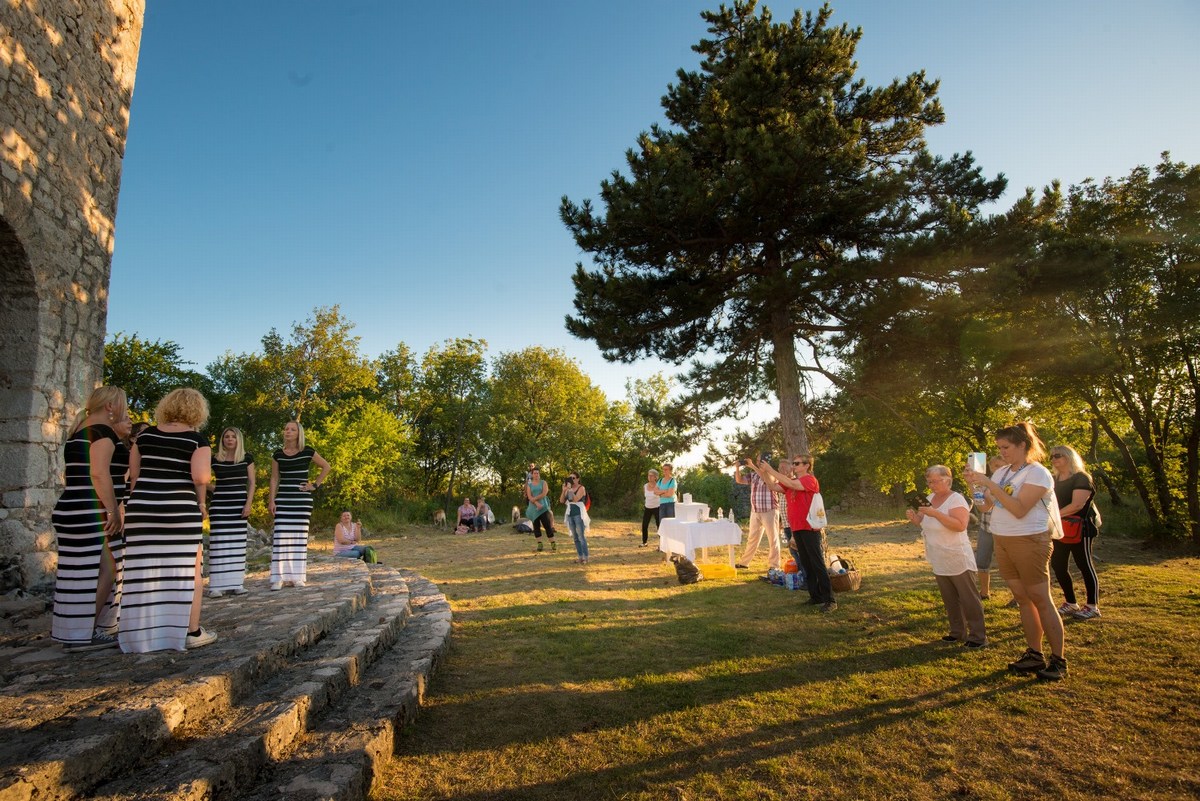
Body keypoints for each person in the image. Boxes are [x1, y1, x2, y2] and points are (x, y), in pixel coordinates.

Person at [965, 422, 1067, 681]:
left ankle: (1058, 660)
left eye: (1006, 447)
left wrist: (990, 483)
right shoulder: (1002, 474)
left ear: (1023, 445)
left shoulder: (1037, 473)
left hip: (1030, 539)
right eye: (999, 448)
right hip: (1003, 538)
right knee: (1022, 597)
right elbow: (985, 507)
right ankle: (1034, 654)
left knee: (1040, 597)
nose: (1002, 452)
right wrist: (975, 486)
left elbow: (1019, 509)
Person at [120, 388, 215, 652]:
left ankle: (139, 635)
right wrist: (200, 501)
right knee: (188, 571)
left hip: (142, 508)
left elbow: (134, 476)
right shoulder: (197, 441)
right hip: (178, 509)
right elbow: (201, 478)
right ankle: (191, 632)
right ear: (197, 411)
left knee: (142, 570)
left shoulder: (145, 435)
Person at [51, 386, 130, 651]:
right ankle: (85, 632)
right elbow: (99, 474)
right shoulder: (103, 432)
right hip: (90, 509)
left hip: (70, 506)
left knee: (76, 571)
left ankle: (70, 630)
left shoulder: (78, 431)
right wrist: (112, 511)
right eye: (122, 405)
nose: (124, 410)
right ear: (110, 407)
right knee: (107, 571)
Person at [905, 465, 988, 648]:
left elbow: (960, 525)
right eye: (929, 482)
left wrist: (935, 513)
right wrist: (915, 518)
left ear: (948, 480)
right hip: (938, 555)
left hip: (956, 555)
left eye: (935, 481)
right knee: (950, 598)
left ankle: (978, 636)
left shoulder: (956, 499)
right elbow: (923, 522)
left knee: (969, 598)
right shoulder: (929, 498)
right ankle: (957, 632)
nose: (932, 485)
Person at [756, 454, 836, 612]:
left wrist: (770, 469)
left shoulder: (809, 480)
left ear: (807, 465)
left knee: (817, 563)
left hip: (809, 528)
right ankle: (815, 596)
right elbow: (773, 487)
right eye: (794, 463)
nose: (794, 465)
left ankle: (830, 600)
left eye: (798, 463)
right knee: (806, 564)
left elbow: (788, 483)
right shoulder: (792, 482)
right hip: (797, 528)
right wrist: (764, 471)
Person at [269, 420, 331, 591]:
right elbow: (274, 478)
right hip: (283, 499)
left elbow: (326, 466)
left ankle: (297, 577)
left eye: (292, 429)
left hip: (301, 500)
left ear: (298, 433)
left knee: (299, 538)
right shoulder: (277, 454)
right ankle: (278, 578)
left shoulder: (307, 451)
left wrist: (315, 485)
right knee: (281, 538)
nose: (288, 431)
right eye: (286, 428)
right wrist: (271, 500)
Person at [1049, 445, 1102, 620]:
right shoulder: (1054, 479)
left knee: (1084, 564)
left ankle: (1092, 606)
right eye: (1052, 456)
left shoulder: (1081, 478)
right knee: (1058, 565)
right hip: (1060, 528)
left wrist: (1052, 517)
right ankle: (1071, 603)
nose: (1054, 459)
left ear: (1069, 457)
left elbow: (1077, 505)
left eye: (1058, 455)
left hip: (1081, 528)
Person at [208, 427, 255, 597]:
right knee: (219, 543)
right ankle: (216, 586)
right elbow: (201, 477)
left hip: (239, 506)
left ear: (238, 440)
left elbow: (252, 483)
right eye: (226, 436)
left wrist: (248, 504)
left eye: (233, 437)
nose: (229, 439)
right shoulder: (214, 458)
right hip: (220, 506)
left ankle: (236, 583)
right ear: (223, 440)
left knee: (237, 544)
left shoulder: (246, 458)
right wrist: (214, 488)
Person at [734, 456, 781, 571]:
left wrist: (752, 466)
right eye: (758, 460)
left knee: (773, 539)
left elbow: (766, 479)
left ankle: (774, 565)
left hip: (769, 510)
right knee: (752, 538)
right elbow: (739, 480)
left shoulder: (772, 473)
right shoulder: (754, 474)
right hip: (755, 511)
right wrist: (737, 468)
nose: (758, 462)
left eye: (760, 460)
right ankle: (744, 563)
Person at [973, 455, 1006, 600]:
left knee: (1010, 564)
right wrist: (972, 486)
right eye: (993, 466)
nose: (995, 469)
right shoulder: (984, 483)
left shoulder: (1012, 483)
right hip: (986, 527)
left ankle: (1018, 597)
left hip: (1006, 530)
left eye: (999, 465)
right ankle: (984, 592)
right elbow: (982, 507)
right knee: (981, 561)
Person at [560, 472, 591, 564]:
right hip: (570, 514)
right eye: (570, 478)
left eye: (573, 478)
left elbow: (576, 499)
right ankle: (580, 557)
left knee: (581, 536)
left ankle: (586, 557)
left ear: (578, 479)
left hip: (579, 514)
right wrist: (564, 490)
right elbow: (562, 500)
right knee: (575, 537)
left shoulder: (581, 488)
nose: (571, 480)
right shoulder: (568, 488)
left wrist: (570, 490)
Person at [524, 466, 556, 552]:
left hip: (543, 508)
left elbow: (544, 493)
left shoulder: (543, 482)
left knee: (547, 525)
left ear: (539, 474)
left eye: (537, 473)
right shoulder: (529, 485)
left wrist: (535, 499)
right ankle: (540, 544)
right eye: (534, 473)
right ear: (532, 474)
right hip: (533, 509)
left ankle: (552, 543)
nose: (536, 474)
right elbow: (529, 496)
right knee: (536, 526)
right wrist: (536, 503)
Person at [640, 468, 661, 547]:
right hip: (647, 508)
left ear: (656, 477)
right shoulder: (645, 486)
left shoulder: (659, 486)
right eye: (649, 475)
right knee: (644, 525)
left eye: (652, 476)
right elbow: (646, 496)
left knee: (659, 526)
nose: (649, 477)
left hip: (657, 508)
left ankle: (662, 544)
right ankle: (644, 542)